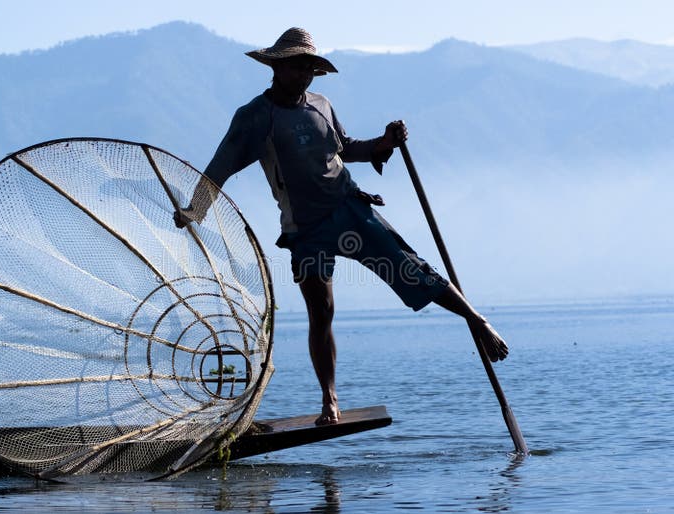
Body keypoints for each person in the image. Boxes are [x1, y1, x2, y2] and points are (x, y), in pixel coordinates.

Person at [176, 28, 508, 426]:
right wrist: (195, 209)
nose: (304, 76)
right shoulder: (254, 117)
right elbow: (220, 166)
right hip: (306, 227)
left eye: (310, 69)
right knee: (322, 309)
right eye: (298, 67)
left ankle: (478, 321)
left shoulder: (321, 104)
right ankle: (329, 401)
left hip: (349, 210)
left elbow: (346, 148)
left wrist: (384, 142)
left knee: (410, 267)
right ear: (277, 67)